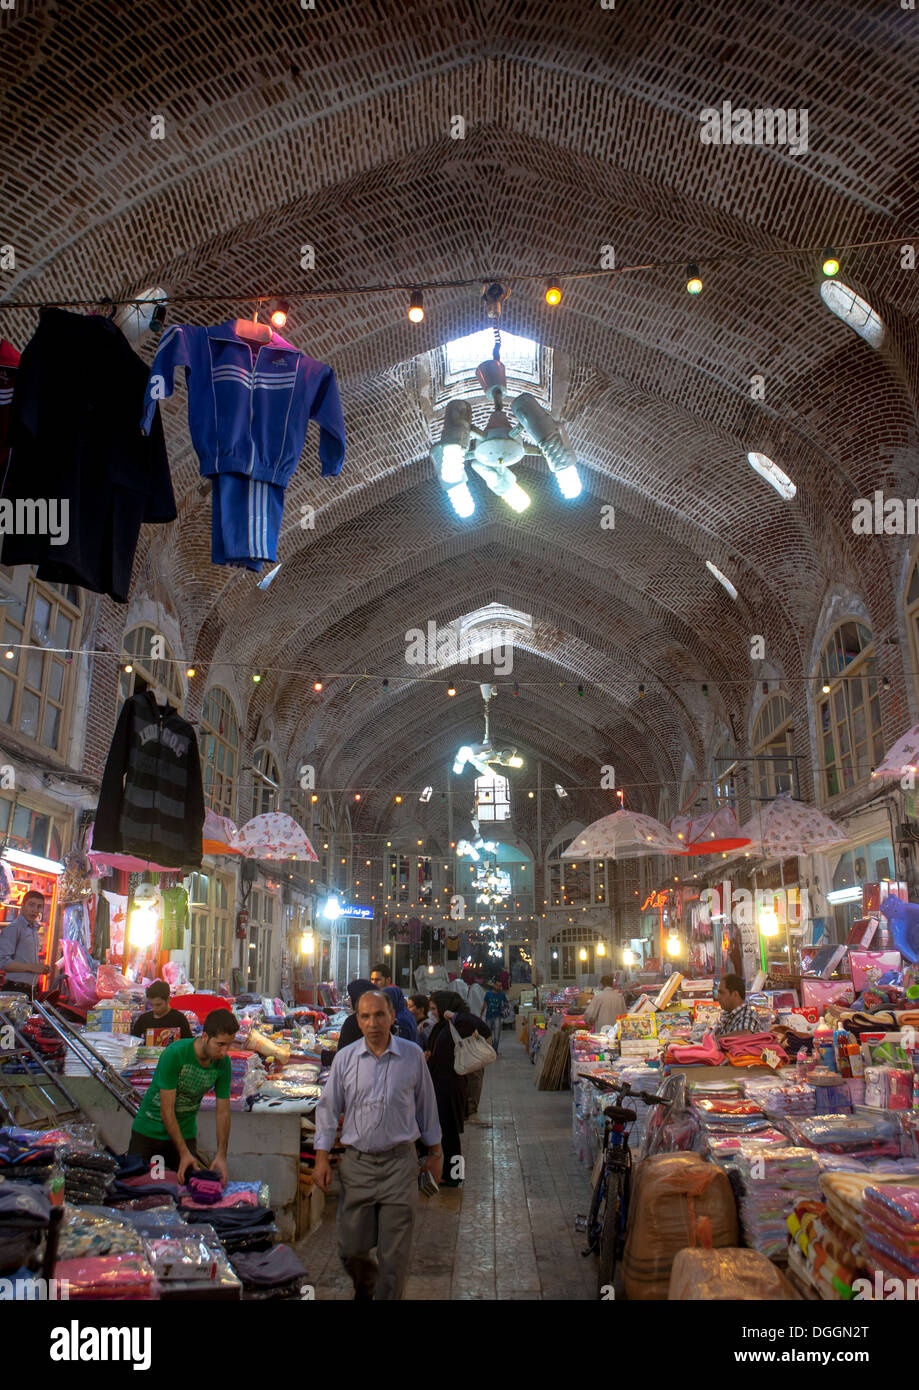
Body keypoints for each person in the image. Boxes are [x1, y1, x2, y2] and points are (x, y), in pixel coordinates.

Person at [313, 989, 442, 1300]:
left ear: (392, 1017)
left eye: (380, 1015)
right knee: (351, 1247)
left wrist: (436, 1152)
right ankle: (366, 1282)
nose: (373, 1022)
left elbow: (427, 1106)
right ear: (357, 1020)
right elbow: (328, 1110)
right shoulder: (345, 1059)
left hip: (400, 1165)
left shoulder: (411, 1056)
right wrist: (320, 1157)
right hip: (357, 1165)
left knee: (394, 1257)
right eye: (366, 1016)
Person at [127, 1007, 238, 1183]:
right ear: (205, 1037)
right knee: (145, 1191)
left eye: (229, 1045)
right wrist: (184, 1152)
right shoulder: (176, 1054)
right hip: (150, 1133)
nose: (224, 1051)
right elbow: (167, 1111)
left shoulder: (223, 1064)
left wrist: (221, 1156)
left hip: (185, 1133)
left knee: (185, 1193)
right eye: (220, 1044)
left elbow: (223, 1112)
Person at [426, 990, 492, 1187]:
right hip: (439, 1085)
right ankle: (450, 1174)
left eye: (434, 1009)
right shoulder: (441, 1027)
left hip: (451, 1086)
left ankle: (455, 1176)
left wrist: (454, 1016)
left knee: (451, 1134)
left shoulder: (459, 1024)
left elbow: (483, 1028)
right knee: (446, 1133)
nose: (432, 1013)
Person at [0, 891, 49, 994]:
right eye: (31, 905)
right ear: (23, 905)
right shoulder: (14, 928)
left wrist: (40, 968)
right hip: (15, 990)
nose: (35, 910)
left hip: (29, 990)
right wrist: (32, 968)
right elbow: (3, 962)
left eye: (39, 907)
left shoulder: (33, 929)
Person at [337, 978, 375, 1051]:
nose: (349, 1000)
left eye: (350, 997)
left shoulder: (352, 1022)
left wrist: (322, 1052)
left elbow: (343, 1056)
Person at [480, 979, 508, 1052]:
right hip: (488, 1016)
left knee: (497, 1034)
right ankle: (490, 1049)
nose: (498, 987)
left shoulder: (502, 994)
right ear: (494, 985)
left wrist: (504, 1007)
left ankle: (495, 1050)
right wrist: (481, 1015)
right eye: (497, 985)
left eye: (500, 986)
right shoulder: (488, 994)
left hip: (497, 1016)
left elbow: (506, 1004)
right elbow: (484, 1005)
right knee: (488, 1034)